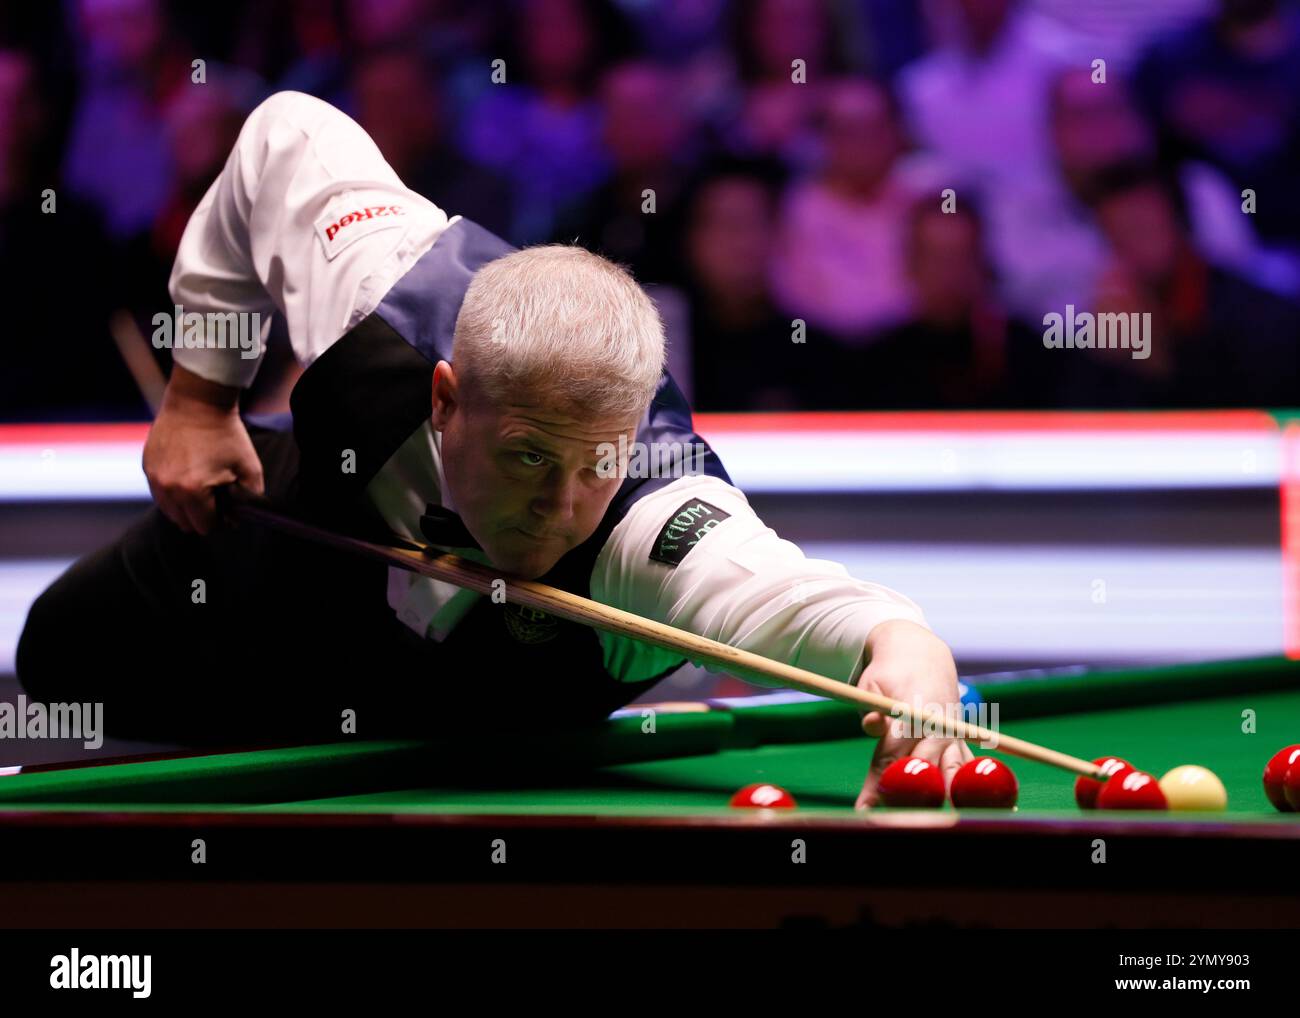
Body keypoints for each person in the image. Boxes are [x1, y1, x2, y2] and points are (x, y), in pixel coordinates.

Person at [15, 91, 967, 809]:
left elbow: (792, 598)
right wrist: (197, 394)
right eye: (526, 459)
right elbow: (283, 138)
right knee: (60, 659)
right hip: (291, 537)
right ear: (447, 400)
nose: (558, 509)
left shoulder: (655, 519)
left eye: (595, 464)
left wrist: (905, 645)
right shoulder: (384, 299)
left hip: (477, 709)